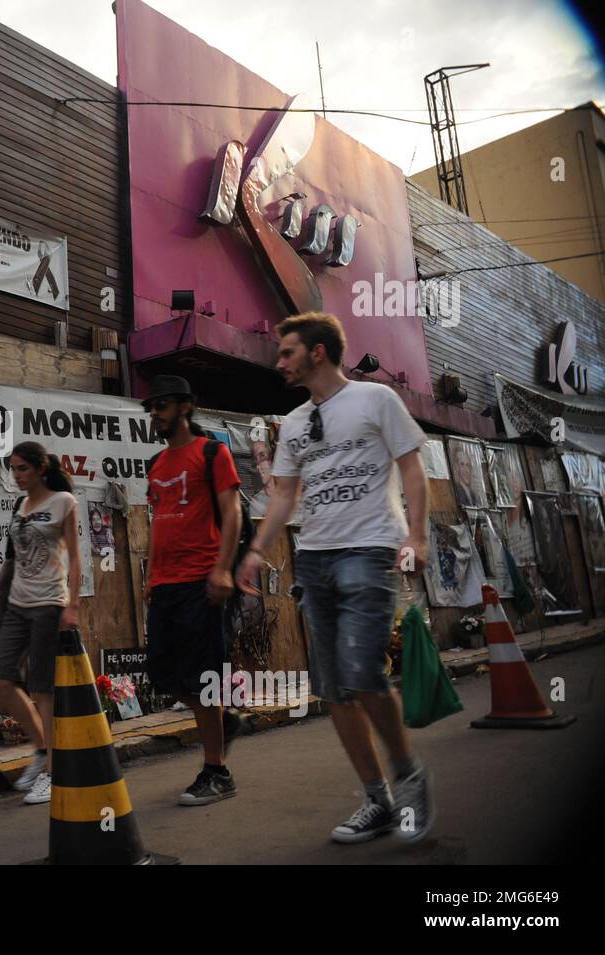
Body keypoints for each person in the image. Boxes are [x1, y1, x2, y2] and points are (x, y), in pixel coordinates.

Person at [235, 312, 435, 844]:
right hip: (316, 558)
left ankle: (409, 774)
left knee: (363, 672)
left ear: (317, 352)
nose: (280, 361)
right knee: (335, 689)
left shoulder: (376, 401)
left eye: (288, 352)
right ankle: (377, 800)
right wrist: (256, 548)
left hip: (369, 549)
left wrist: (418, 537)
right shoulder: (296, 422)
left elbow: (412, 469)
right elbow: (284, 495)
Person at [142, 375, 244, 806]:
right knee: (165, 677)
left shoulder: (212, 452)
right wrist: (148, 578)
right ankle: (223, 722)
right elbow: (157, 520)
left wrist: (222, 570)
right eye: (151, 408)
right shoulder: (156, 463)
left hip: (201, 580)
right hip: (164, 583)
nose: (155, 415)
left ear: (184, 406)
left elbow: (233, 513)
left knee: (203, 681)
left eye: (161, 406)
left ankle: (217, 771)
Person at [0, 441, 82, 806]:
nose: (17, 475)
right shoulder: (20, 505)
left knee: (43, 690)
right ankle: (41, 749)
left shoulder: (63, 503)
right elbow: (12, 557)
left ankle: (53, 773)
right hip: (16, 604)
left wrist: (72, 605)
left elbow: (74, 558)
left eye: (23, 468)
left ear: (41, 468)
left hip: (48, 604)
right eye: (13, 469)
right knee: (0, 679)